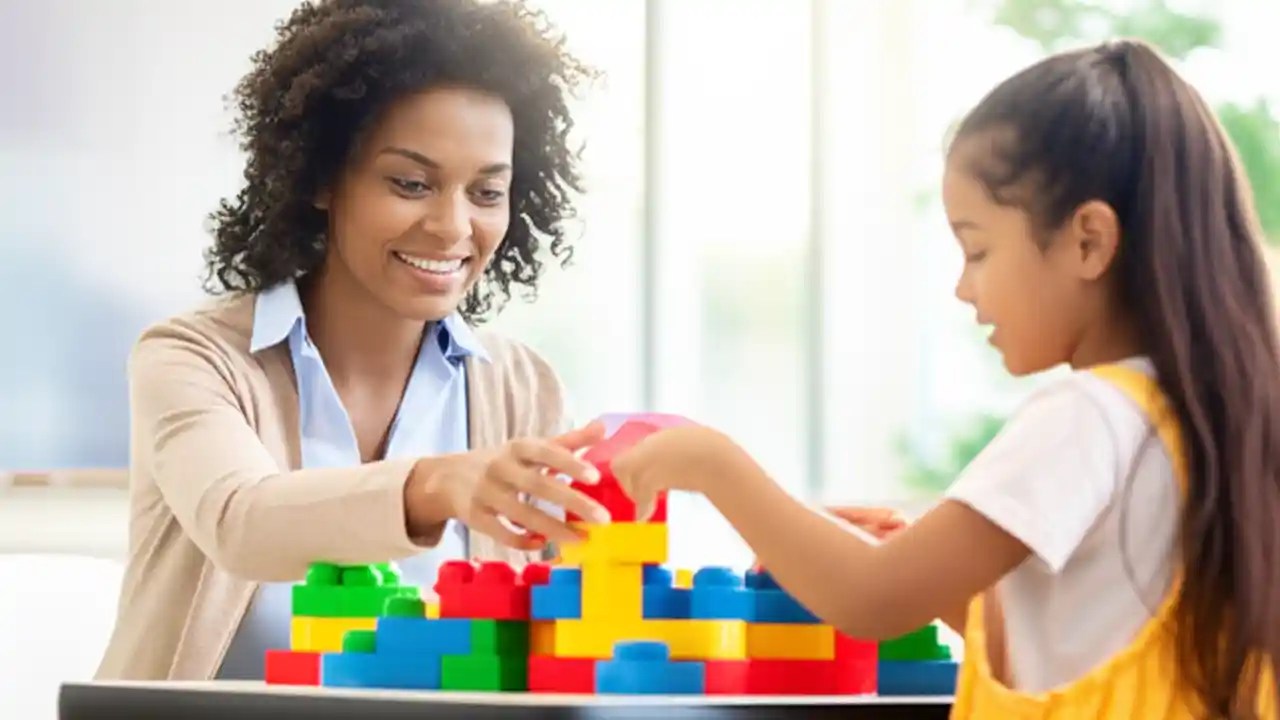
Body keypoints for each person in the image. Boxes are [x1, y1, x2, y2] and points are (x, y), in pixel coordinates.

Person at [612, 39, 1280, 718]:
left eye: (978, 249)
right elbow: (1079, 640)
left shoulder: (1090, 413)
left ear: (1088, 241)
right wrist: (929, 568)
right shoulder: (1199, 420)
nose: (963, 289)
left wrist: (714, 465)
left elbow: (870, 598)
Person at [95, 0, 613, 682]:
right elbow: (240, 522)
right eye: (410, 183)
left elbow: (558, 636)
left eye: (487, 192)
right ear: (318, 177)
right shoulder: (193, 358)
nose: (453, 226)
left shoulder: (524, 388)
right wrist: (437, 485)